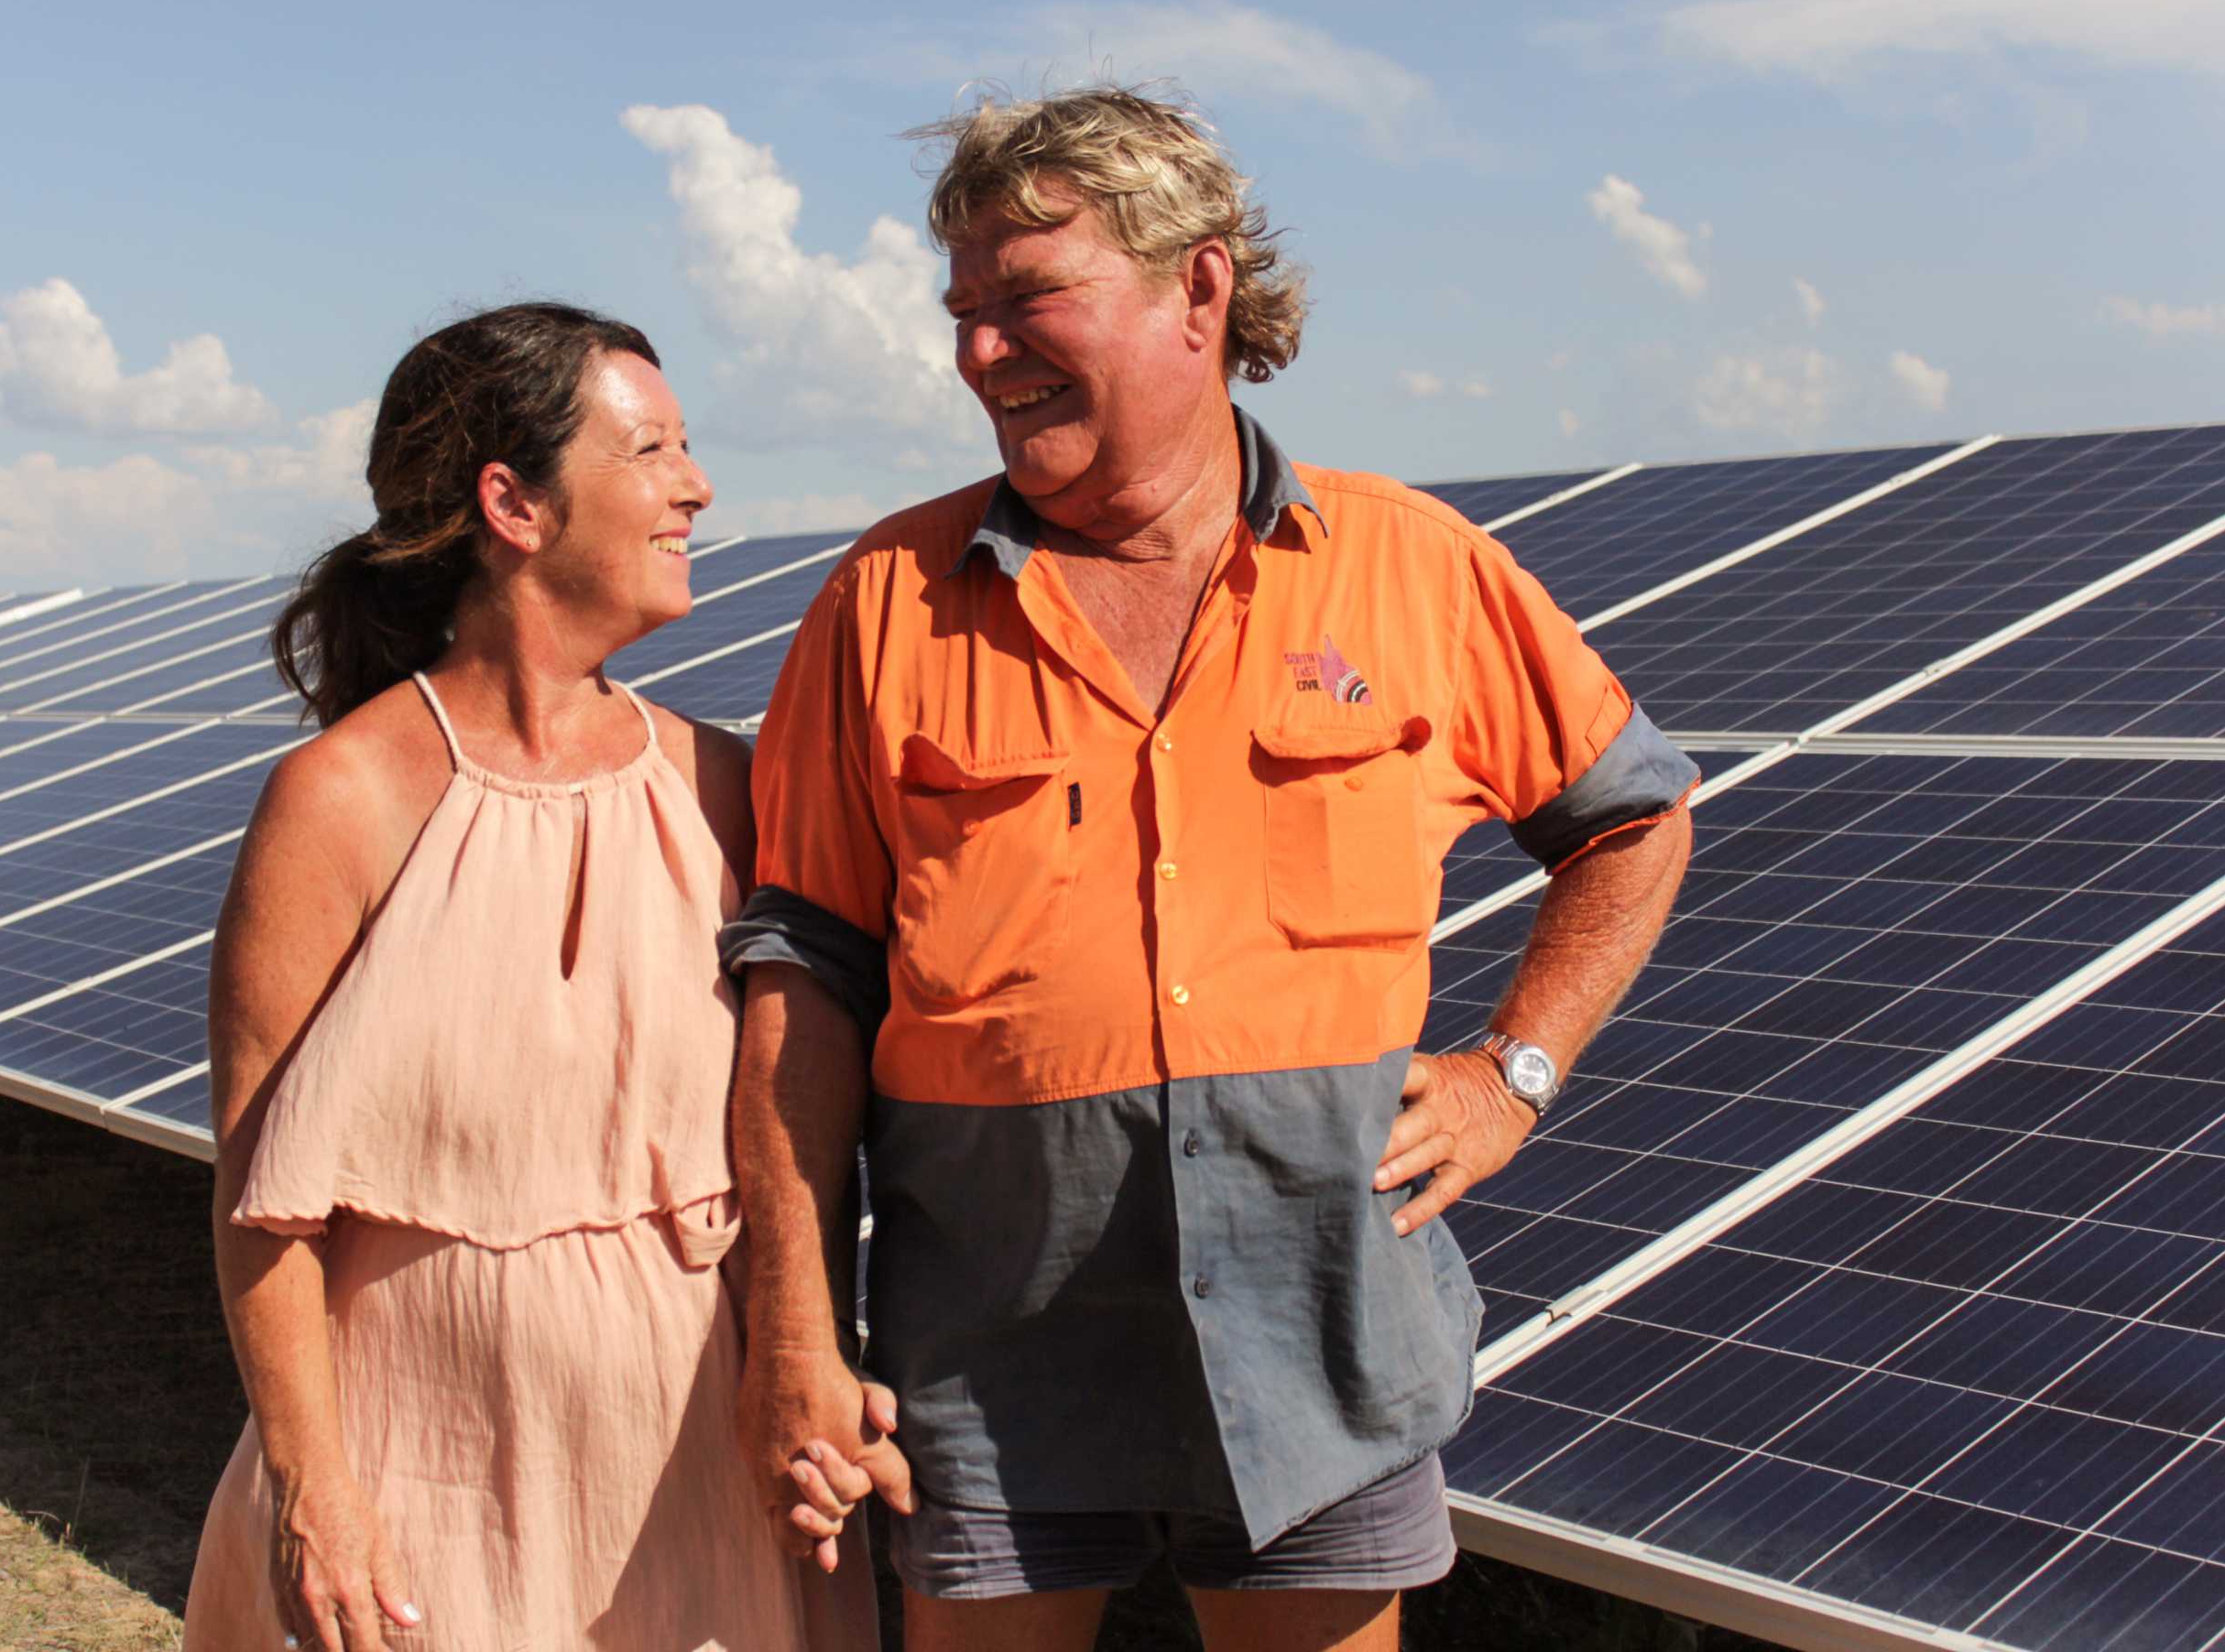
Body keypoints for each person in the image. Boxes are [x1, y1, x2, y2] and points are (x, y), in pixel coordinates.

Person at [724, 90, 1697, 1652]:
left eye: (1031, 299)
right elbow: (803, 984)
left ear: (1201, 287)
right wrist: (789, 1321)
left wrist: (1518, 1067)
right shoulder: (886, 600)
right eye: (963, 313)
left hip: (1323, 1337)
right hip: (991, 1359)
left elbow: (1635, 818)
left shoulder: (1411, 569)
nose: (983, 351)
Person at [182, 303, 874, 1652]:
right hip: (418, 1486)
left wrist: (815, 1379)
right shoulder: (343, 799)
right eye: (654, 449)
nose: (697, 483)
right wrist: (315, 1495)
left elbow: (785, 1138)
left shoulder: (720, 786)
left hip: (691, 1489)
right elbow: (260, 1214)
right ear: (515, 503)